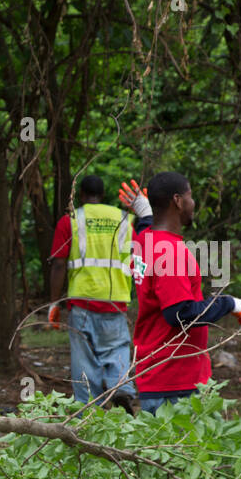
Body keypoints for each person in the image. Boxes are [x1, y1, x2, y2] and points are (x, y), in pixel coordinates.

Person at [131, 171, 241, 414]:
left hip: (156, 374)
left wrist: (144, 215)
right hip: (176, 383)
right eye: (190, 196)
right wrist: (228, 303)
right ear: (177, 201)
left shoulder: (144, 241)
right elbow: (179, 314)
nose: (193, 203)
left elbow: (144, 227)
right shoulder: (170, 252)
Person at [47, 175, 149, 410]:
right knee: (117, 349)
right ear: (103, 195)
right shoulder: (125, 220)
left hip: (81, 301)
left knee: (84, 360)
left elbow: (59, 264)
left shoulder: (71, 220)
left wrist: (54, 304)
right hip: (115, 300)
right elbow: (138, 259)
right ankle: (121, 388)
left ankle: (87, 409)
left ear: (82, 195)